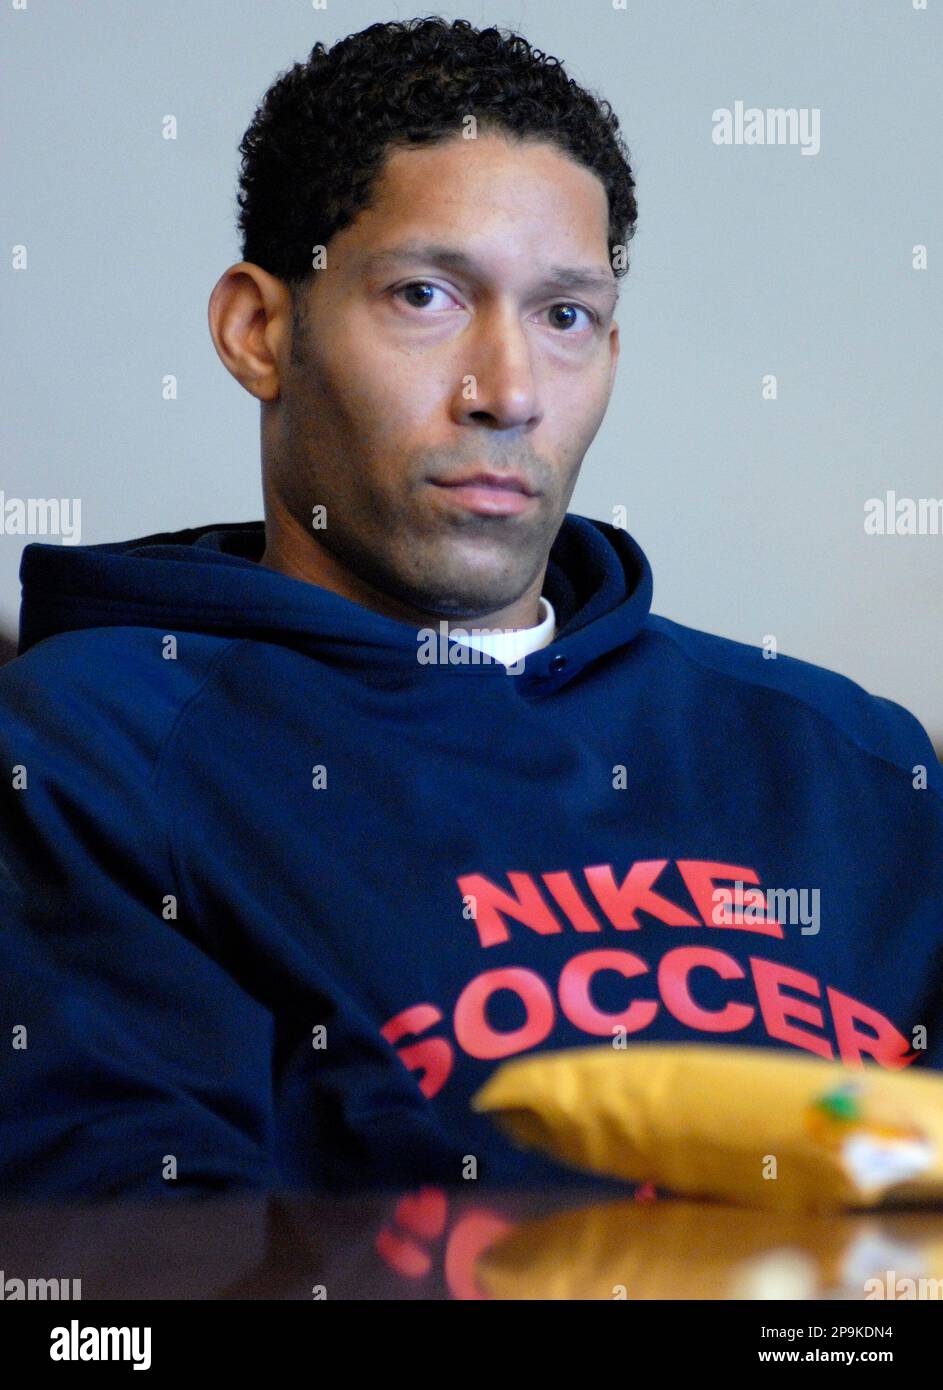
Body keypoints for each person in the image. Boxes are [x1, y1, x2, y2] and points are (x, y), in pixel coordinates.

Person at [1, 17, 940, 1202]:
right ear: (260, 330)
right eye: (427, 294)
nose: (507, 394)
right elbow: (125, 1262)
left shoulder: (851, 763)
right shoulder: (94, 751)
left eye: (564, 317)